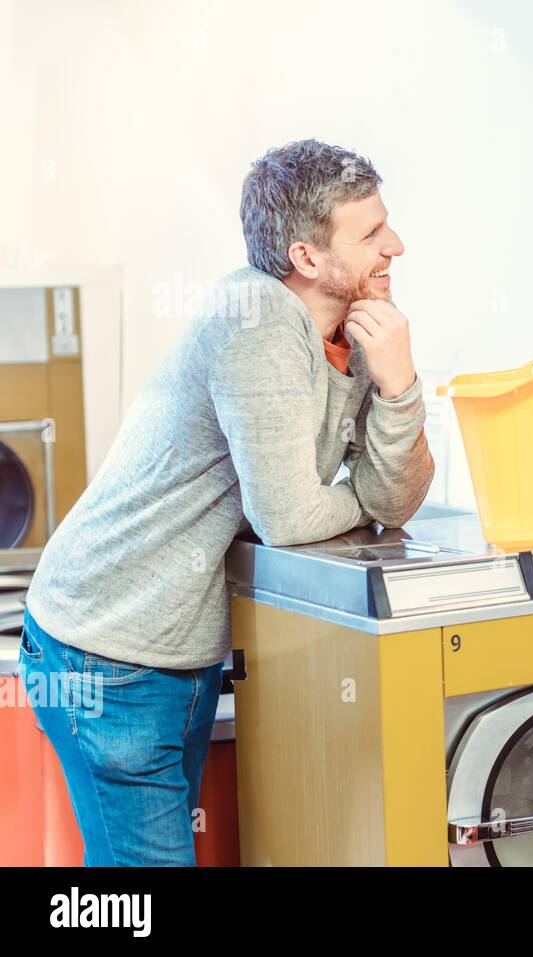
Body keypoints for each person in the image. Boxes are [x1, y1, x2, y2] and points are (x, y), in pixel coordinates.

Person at [18, 139, 435, 864]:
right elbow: (291, 519)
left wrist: (399, 389)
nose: (394, 245)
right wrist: (364, 496)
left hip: (173, 652)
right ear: (307, 257)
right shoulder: (257, 321)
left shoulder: (359, 333)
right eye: (370, 233)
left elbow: (395, 500)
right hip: (106, 647)